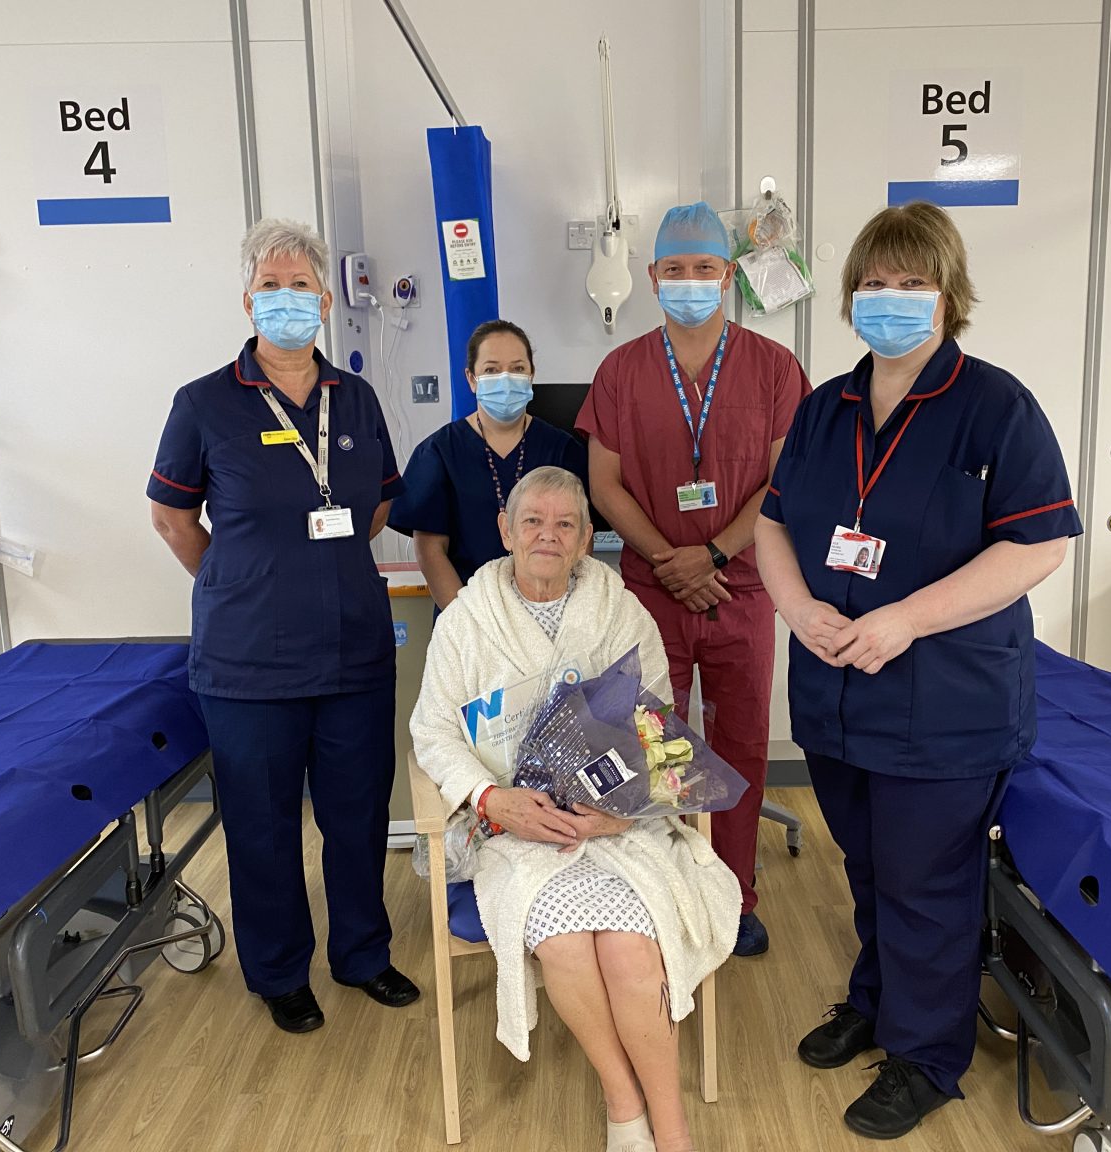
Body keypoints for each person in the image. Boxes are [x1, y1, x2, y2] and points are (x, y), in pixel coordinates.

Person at [754, 201, 1081, 1139]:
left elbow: (1035, 548)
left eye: (912, 283)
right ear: (851, 295)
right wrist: (796, 607)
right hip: (838, 693)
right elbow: (774, 522)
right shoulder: (827, 408)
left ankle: (927, 1056)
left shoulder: (996, 408)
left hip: (945, 703)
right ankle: (876, 997)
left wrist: (904, 619)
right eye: (875, 283)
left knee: (925, 882)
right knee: (866, 866)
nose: (890, 299)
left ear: (949, 297)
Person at [411, 466, 739, 1152]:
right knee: (562, 939)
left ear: (588, 538)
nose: (547, 537)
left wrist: (621, 814)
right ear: (505, 530)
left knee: (627, 945)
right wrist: (491, 797)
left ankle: (670, 1130)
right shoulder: (467, 621)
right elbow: (433, 732)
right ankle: (624, 1108)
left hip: (617, 827)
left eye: (565, 525)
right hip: (512, 829)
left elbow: (659, 723)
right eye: (532, 522)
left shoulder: (622, 612)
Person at [147, 218, 419, 1035]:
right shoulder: (202, 404)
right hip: (248, 664)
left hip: (352, 654)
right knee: (263, 828)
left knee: (358, 814)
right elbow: (170, 517)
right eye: (272, 286)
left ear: (326, 302)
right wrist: (241, 582)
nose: (288, 300)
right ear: (247, 301)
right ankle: (277, 973)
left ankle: (363, 954)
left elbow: (375, 505)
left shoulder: (356, 397)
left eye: (302, 286)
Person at [577, 202, 809, 958]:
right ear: (650, 279)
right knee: (658, 750)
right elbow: (604, 485)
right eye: (674, 270)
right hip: (652, 595)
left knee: (740, 747)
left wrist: (709, 556)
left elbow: (784, 482)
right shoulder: (621, 371)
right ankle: (663, 889)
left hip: (742, 588)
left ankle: (734, 899)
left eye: (704, 268)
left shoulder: (775, 369)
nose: (689, 281)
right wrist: (672, 562)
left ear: (729, 275)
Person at [390, 320, 589, 610]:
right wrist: (469, 623)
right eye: (492, 370)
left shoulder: (562, 449)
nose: (506, 379)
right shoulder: (439, 453)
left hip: (550, 610)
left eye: (518, 369)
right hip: (467, 612)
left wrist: (562, 610)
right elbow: (431, 550)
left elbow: (581, 539)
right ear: (471, 379)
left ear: (531, 375)